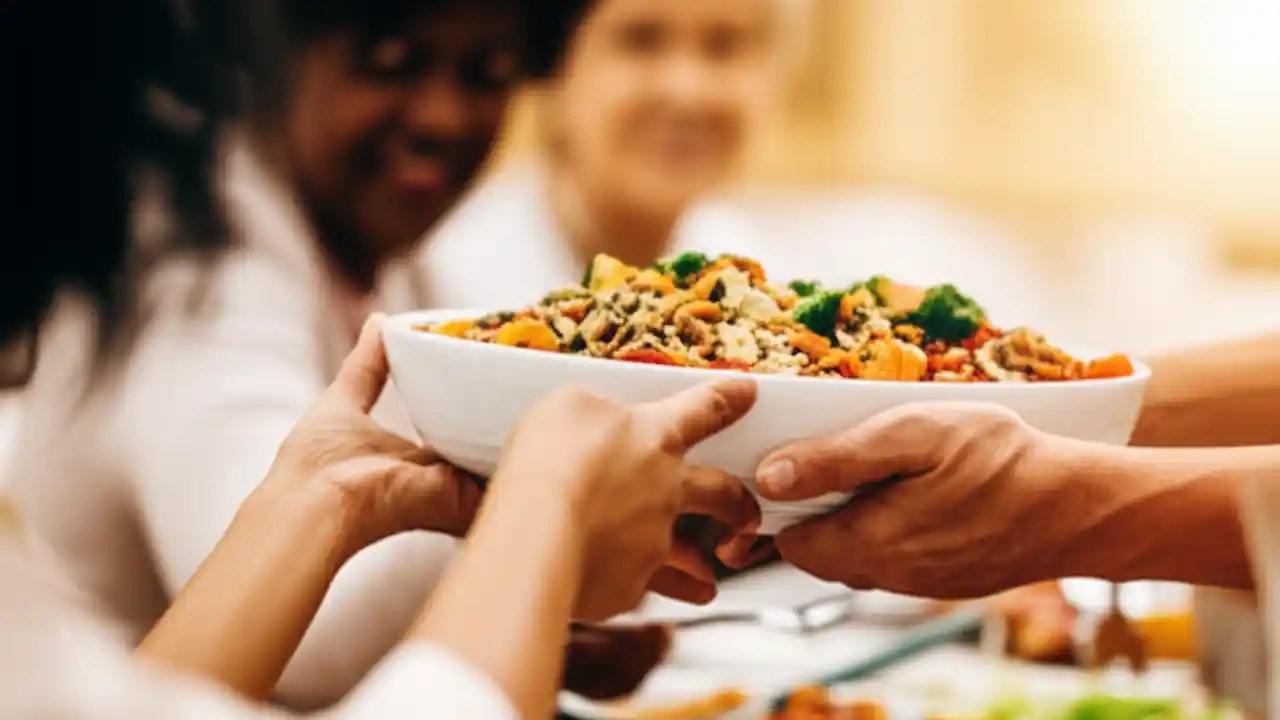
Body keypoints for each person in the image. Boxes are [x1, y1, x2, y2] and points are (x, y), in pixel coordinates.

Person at [0, 2, 756, 715]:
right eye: (391, 62)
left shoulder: (384, 257)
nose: (441, 116)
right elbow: (312, 652)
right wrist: (542, 515)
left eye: (487, 76)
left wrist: (531, 607)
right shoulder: (202, 262)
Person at [417, 0, 792, 310]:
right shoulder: (434, 286)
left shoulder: (764, 285)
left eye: (723, 45)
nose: (686, 90)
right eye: (640, 40)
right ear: (554, 70)